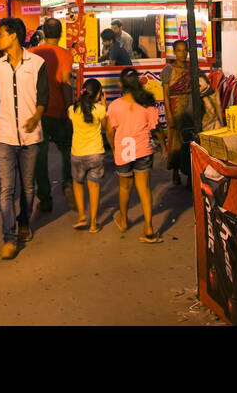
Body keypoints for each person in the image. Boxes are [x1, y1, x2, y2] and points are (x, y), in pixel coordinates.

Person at [0, 18, 49, 260]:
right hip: (4, 134)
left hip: (30, 135)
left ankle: (24, 221)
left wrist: (37, 116)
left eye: (1, 34)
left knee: (27, 186)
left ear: (13, 36)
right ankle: (9, 237)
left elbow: (44, 96)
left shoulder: (37, 63)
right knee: (7, 189)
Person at [107, 68, 163, 243]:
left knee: (124, 187)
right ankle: (149, 228)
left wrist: (113, 148)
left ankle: (123, 221)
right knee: (144, 189)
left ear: (121, 84)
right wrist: (164, 145)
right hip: (143, 150)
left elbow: (110, 131)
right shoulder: (146, 104)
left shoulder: (114, 106)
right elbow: (155, 128)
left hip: (123, 152)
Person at [162, 38, 222, 187]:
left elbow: (204, 85)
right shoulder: (167, 70)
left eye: (185, 50)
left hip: (193, 107)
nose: (182, 54)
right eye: (179, 51)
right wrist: (169, 114)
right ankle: (175, 171)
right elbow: (165, 94)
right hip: (176, 108)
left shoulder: (193, 68)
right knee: (176, 142)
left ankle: (190, 174)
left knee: (191, 141)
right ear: (174, 52)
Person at [30, 17, 75, 213]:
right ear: (61, 33)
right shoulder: (65, 54)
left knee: (40, 157)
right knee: (66, 148)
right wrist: (70, 108)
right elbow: (65, 83)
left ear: (43, 34)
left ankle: (45, 198)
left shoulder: (32, 53)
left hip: (37, 111)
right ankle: (68, 183)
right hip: (58, 110)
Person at [69, 78, 108, 232]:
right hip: (95, 154)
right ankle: (93, 223)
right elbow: (105, 127)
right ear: (98, 94)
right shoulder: (99, 110)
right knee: (94, 188)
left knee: (77, 183)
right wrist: (104, 106)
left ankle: (81, 216)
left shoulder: (72, 109)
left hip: (77, 153)